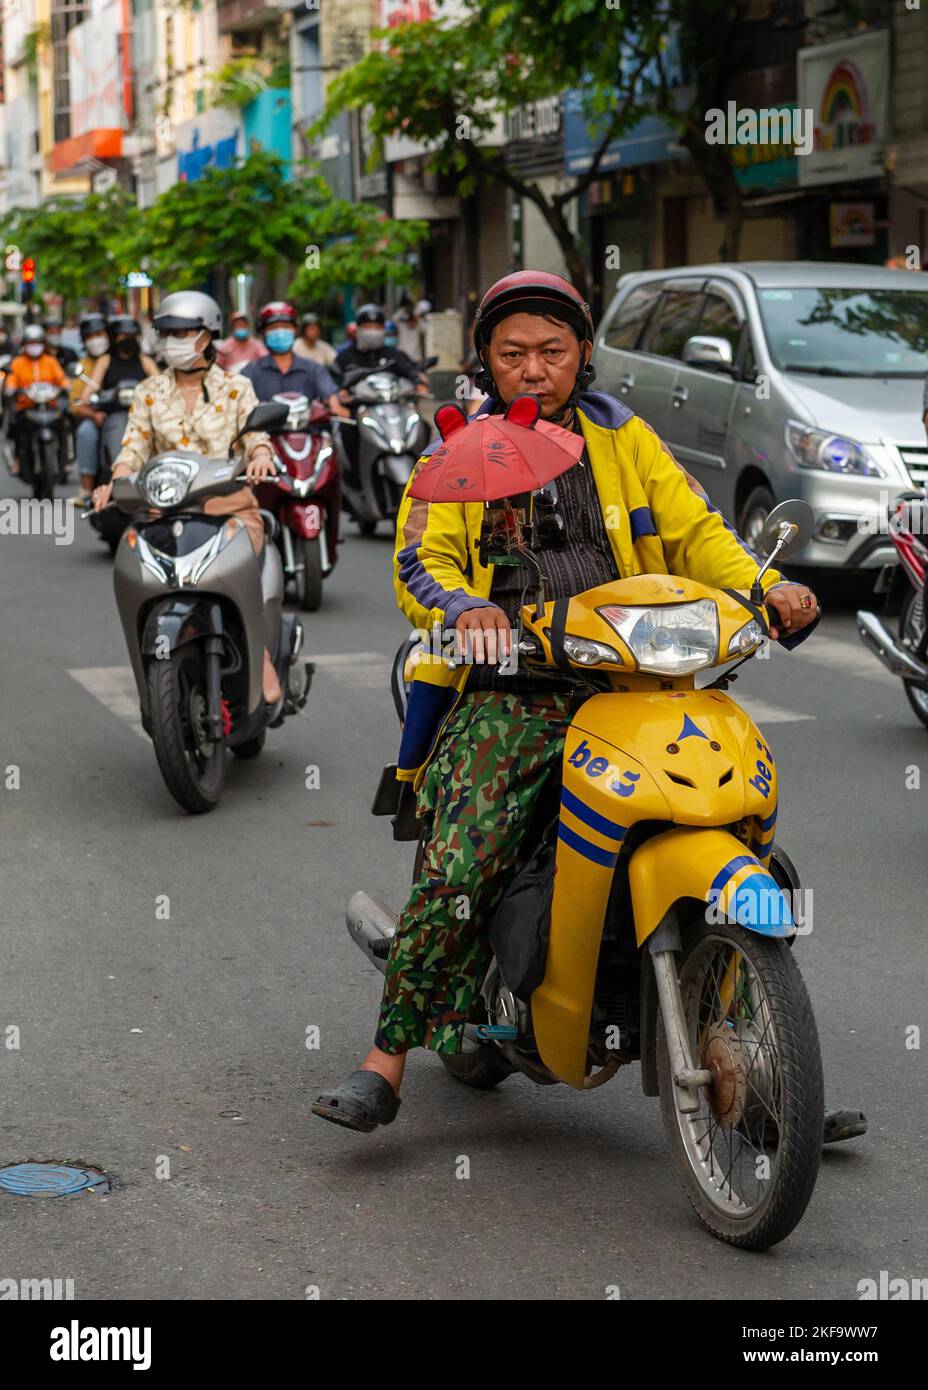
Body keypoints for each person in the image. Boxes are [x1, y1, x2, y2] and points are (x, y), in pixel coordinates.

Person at [311, 268, 823, 1134]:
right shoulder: (458, 452)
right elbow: (418, 564)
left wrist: (769, 589)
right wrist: (464, 609)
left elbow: (701, 535)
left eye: (552, 351)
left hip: (635, 678)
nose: (534, 369)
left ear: (583, 353)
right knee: (465, 862)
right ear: (486, 362)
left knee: (739, 812)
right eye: (513, 354)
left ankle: (775, 1057)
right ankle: (386, 1059)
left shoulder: (624, 438)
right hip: (516, 688)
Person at [91, 290, 282, 704]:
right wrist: (117, 479)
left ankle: (260, 654)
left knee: (245, 564)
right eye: (166, 332)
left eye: (183, 332)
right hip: (163, 514)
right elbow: (133, 447)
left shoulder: (236, 386)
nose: (173, 339)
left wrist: (262, 456)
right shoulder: (148, 391)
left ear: (207, 334)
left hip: (228, 509)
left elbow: (256, 435)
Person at [73, 316, 158, 504]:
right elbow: (91, 387)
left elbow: (160, 383)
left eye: (131, 335)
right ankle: (86, 489)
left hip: (142, 416)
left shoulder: (144, 361)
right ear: (114, 338)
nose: (126, 339)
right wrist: (90, 403)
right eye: (121, 336)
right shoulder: (105, 360)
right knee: (86, 433)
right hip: (108, 415)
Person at [242, 301, 346, 416]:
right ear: (263, 332)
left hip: (307, 431)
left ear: (295, 331)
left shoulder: (313, 368)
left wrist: (335, 405)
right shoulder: (251, 372)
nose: (280, 333)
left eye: (286, 327)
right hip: (265, 433)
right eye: (273, 328)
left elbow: (329, 392)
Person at [4, 324, 70, 479]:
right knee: (16, 426)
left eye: (37, 342)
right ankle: (18, 460)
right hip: (26, 407)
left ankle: (65, 458)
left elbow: (61, 379)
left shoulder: (50, 361)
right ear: (25, 344)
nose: (34, 346)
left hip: (50, 406)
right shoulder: (18, 363)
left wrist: (66, 386)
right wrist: (12, 389)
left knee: (64, 423)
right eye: (31, 343)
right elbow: (12, 380)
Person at [332, 304, 427, 392]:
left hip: (392, 404)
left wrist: (418, 383)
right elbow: (334, 381)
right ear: (358, 329)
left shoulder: (393, 355)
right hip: (357, 406)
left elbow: (408, 371)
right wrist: (341, 391)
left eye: (377, 327)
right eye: (368, 327)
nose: (373, 332)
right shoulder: (345, 357)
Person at [395, 296, 431, 360]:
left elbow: (426, 329)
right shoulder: (402, 326)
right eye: (409, 320)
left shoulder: (418, 327)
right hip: (402, 355)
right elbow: (395, 318)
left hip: (415, 357)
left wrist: (417, 318)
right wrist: (403, 309)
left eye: (413, 320)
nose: (411, 322)